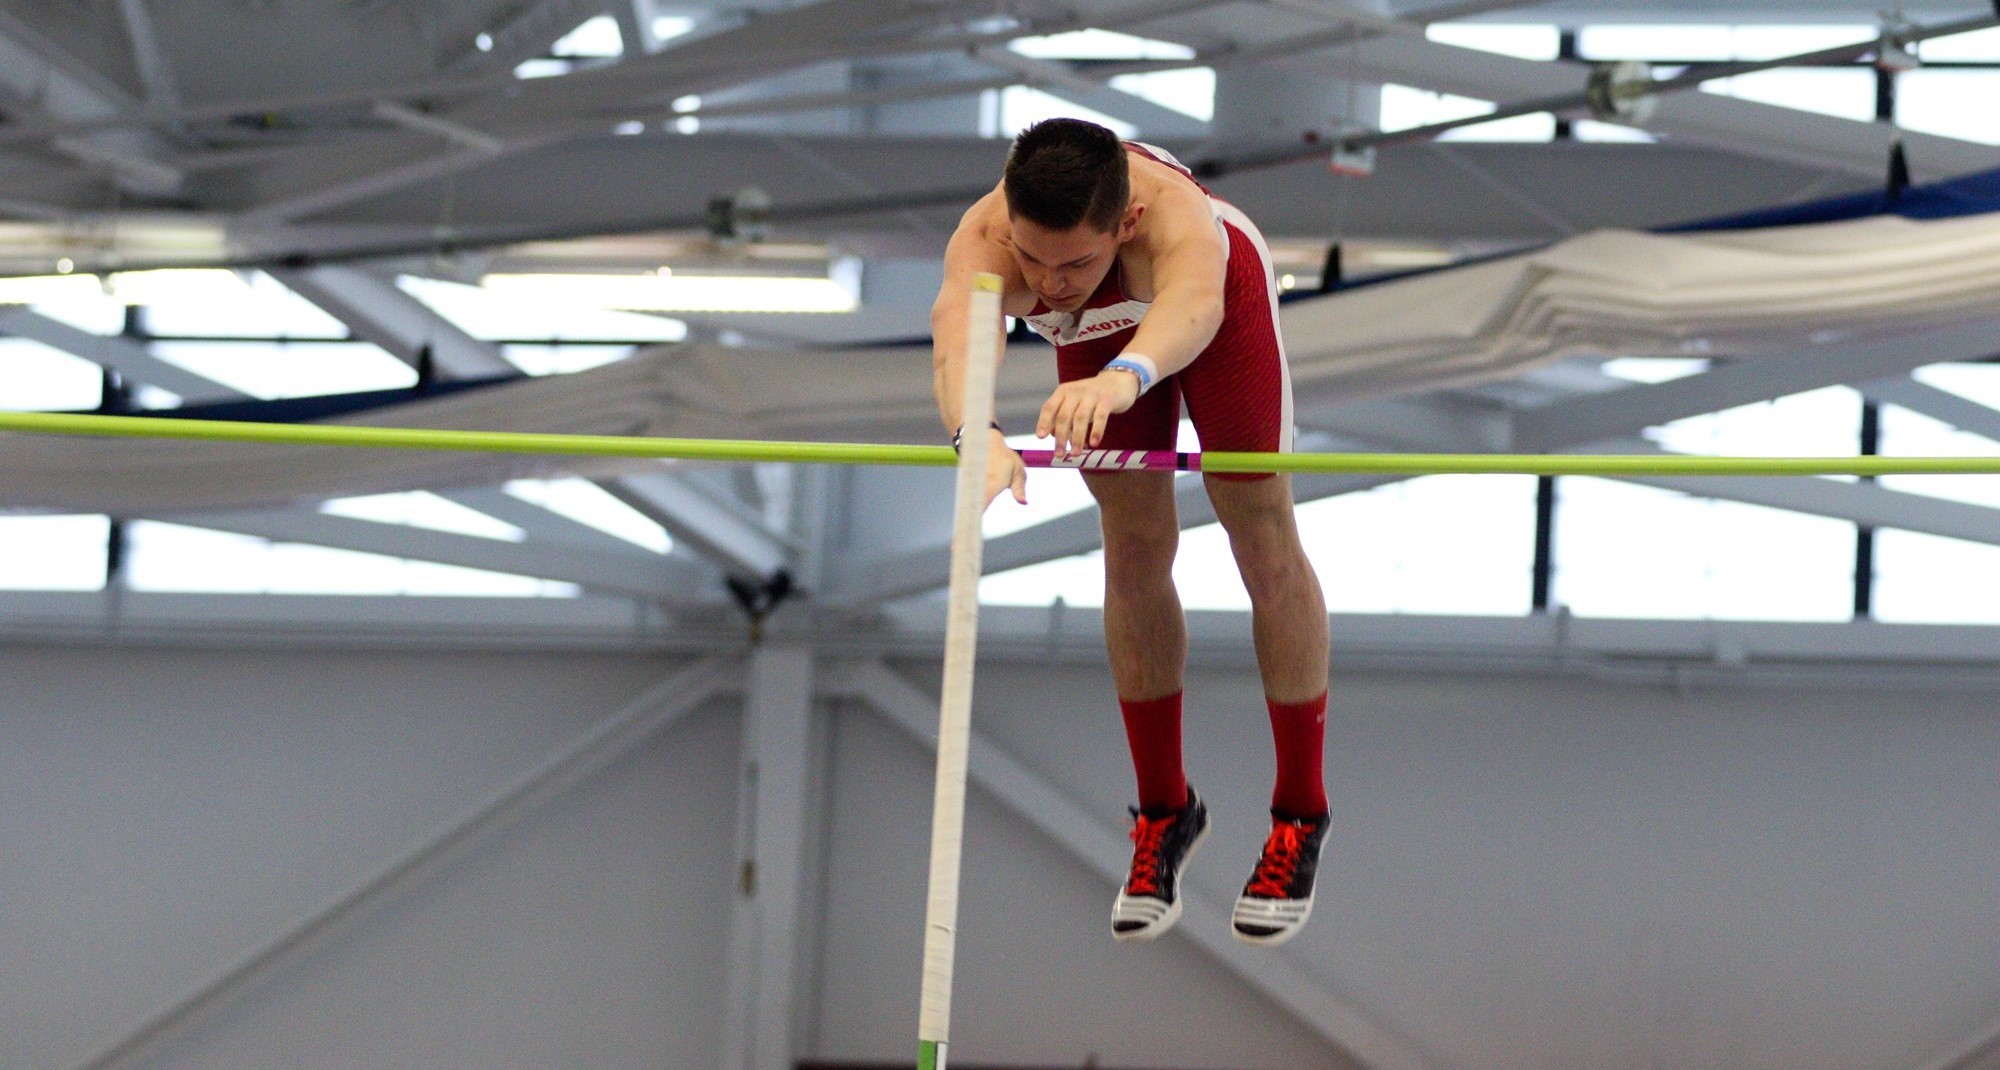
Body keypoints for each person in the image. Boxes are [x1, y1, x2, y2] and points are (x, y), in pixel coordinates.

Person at [930, 117, 1332, 946]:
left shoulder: (1176, 219)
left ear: (1126, 223)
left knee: (1260, 537)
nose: (1050, 283)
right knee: (1134, 543)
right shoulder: (987, 238)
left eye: (1073, 263)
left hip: (1211, 309)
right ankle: (1164, 812)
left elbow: (1193, 308)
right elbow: (957, 343)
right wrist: (978, 435)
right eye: (1033, 261)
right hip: (1099, 339)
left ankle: (1300, 814)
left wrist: (1125, 378)